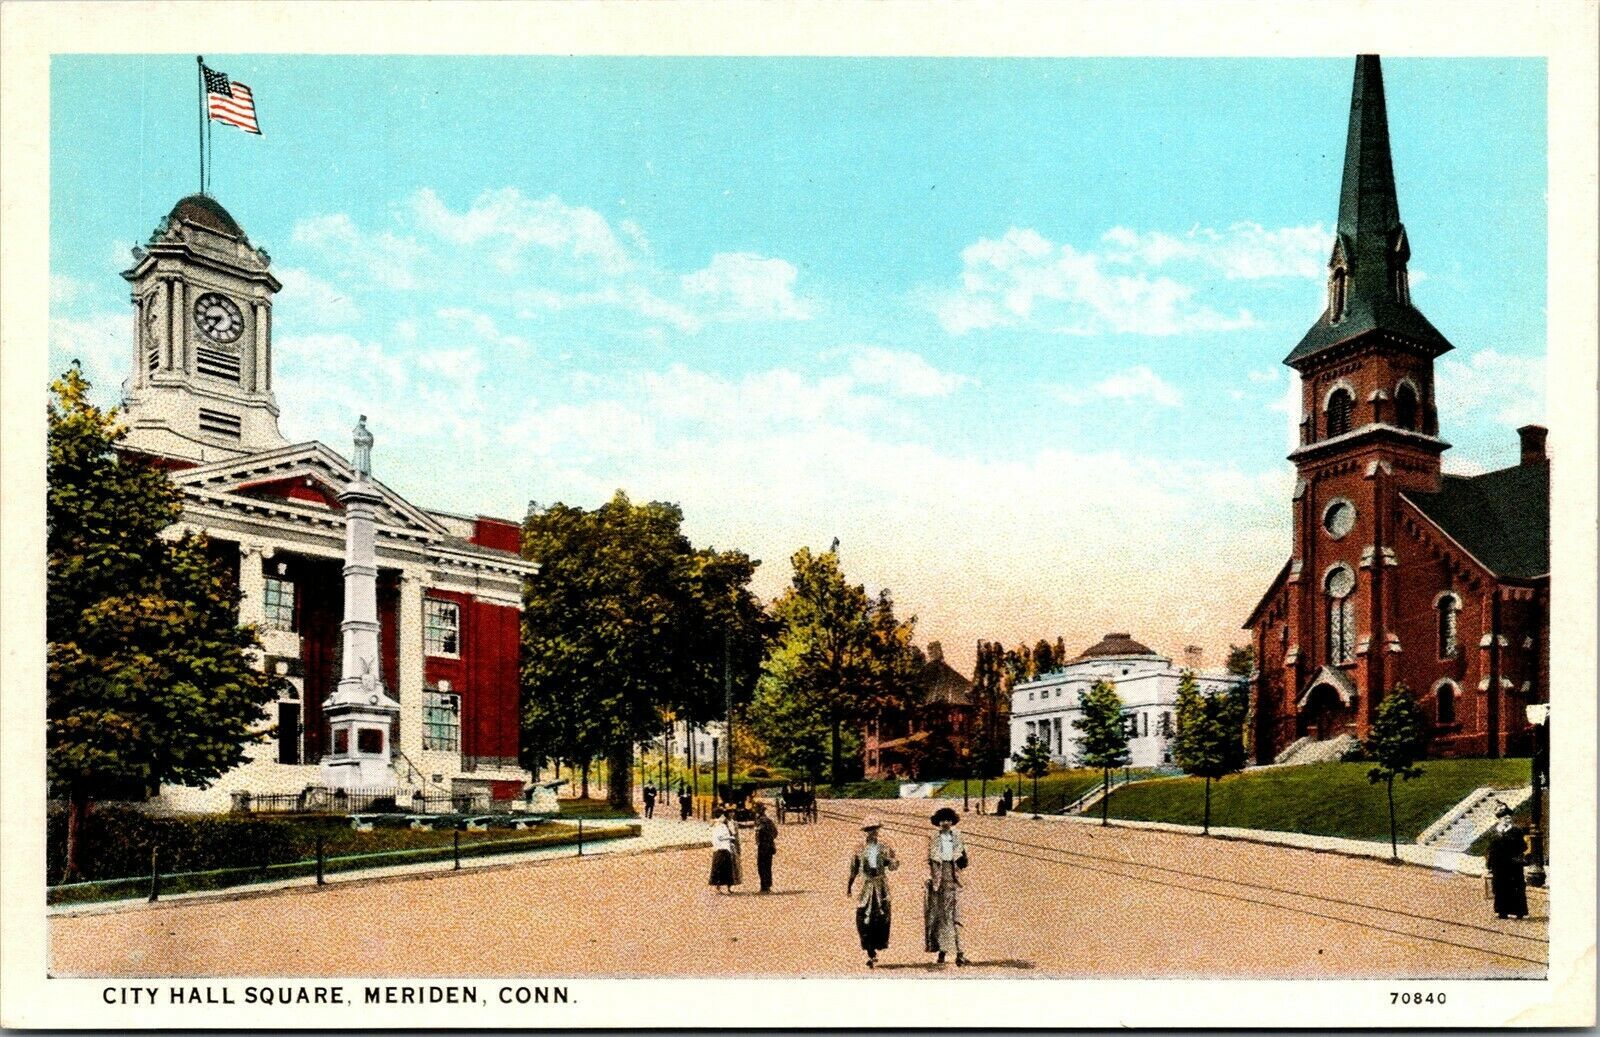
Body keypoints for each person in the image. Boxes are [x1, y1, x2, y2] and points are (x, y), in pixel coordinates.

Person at [847, 818, 899, 967]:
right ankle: (869, 951)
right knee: (864, 917)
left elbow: (892, 866)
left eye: (875, 829)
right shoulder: (859, 849)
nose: (872, 832)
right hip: (865, 886)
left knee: (882, 917)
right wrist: (849, 887)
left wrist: (894, 861)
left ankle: (877, 945)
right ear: (865, 832)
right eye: (869, 829)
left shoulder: (884, 848)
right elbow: (853, 869)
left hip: (881, 886)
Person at [924, 806, 970, 965]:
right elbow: (931, 861)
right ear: (938, 822)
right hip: (939, 882)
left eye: (949, 820)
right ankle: (943, 952)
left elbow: (964, 858)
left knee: (957, 917)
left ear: (953, 821)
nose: (946, 823)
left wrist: (961, 859)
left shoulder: (957, 836)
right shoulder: (933, 838)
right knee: (943, 918)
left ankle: (960, 952)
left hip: (955, 879)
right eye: (943, 820)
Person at [1486, 803, 1529, 920]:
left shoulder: (1516, 831)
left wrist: (1515, 851)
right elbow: (1490, 849)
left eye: (1509, 818)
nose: (1508, 820)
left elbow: (1524, 847)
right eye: (1505, 818)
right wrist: (1489, 865)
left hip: (1513, 864)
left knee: (1516, 887)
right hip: (1498, 865)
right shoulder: (1494, 831)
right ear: (1500, 819)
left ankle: (1519, 912)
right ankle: (1502, 911)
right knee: (1500, 887)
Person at [708, 810, 738, 892]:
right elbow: (720, 838)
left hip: (722, 848)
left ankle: (726, 887)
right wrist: (730, 838)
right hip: (721, 849)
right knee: (722, 869)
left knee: (726, 869)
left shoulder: (720, 825)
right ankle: (721, 886)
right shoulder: (720, 826)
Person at [753, 803, 779, 893]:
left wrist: (763, 840)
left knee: (762, 867)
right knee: (767, 867)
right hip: (769, 846)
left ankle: (764, 887)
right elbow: (775, 833)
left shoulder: (762, 821)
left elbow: (759, 834)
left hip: (763, 847)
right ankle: (767, 886)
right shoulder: (768, 820)